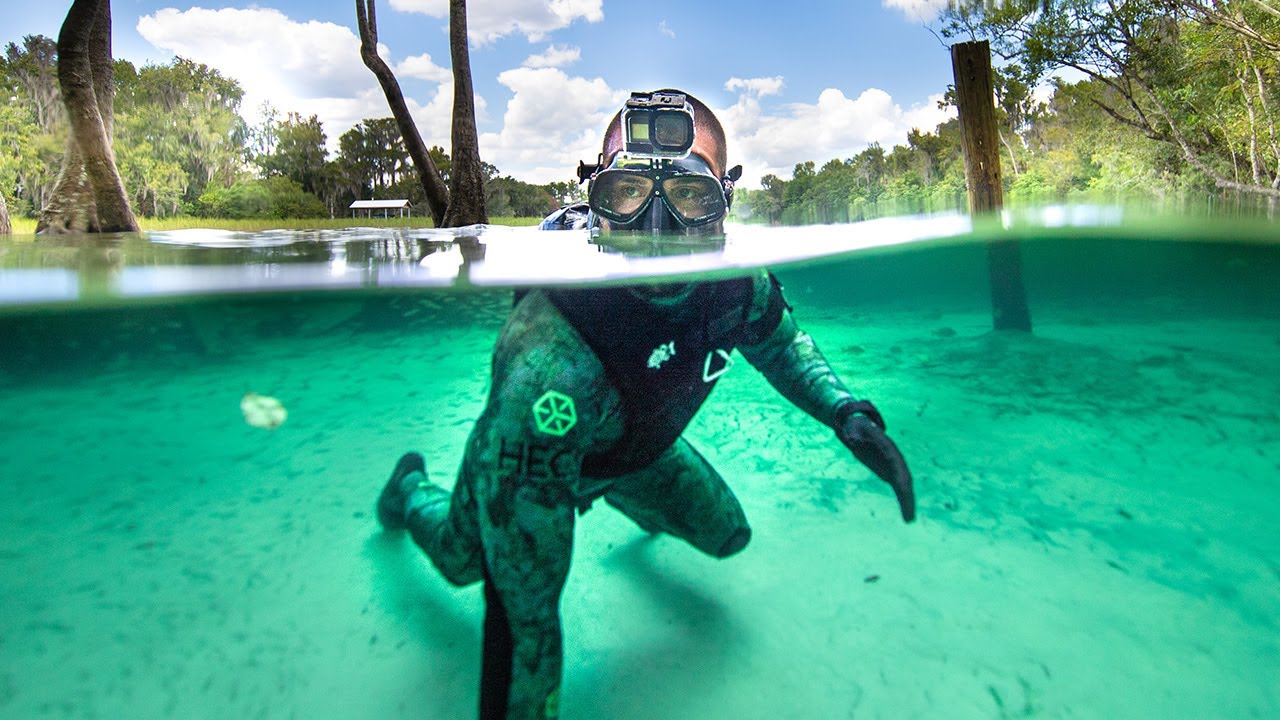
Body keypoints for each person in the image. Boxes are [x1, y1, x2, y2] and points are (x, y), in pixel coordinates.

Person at [376, 89, 915, 720]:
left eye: (690, 195)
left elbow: (781, 343)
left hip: (634, 449)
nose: (657, 230)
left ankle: (621, 492)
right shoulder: (549, 358)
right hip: (532, 464)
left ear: (724, 200)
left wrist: (846, 412)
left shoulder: (738, 283)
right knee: (464, 560)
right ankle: (409, 490)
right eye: (628, 193)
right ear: (594, 198)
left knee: (727, 536)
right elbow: (530, 633)